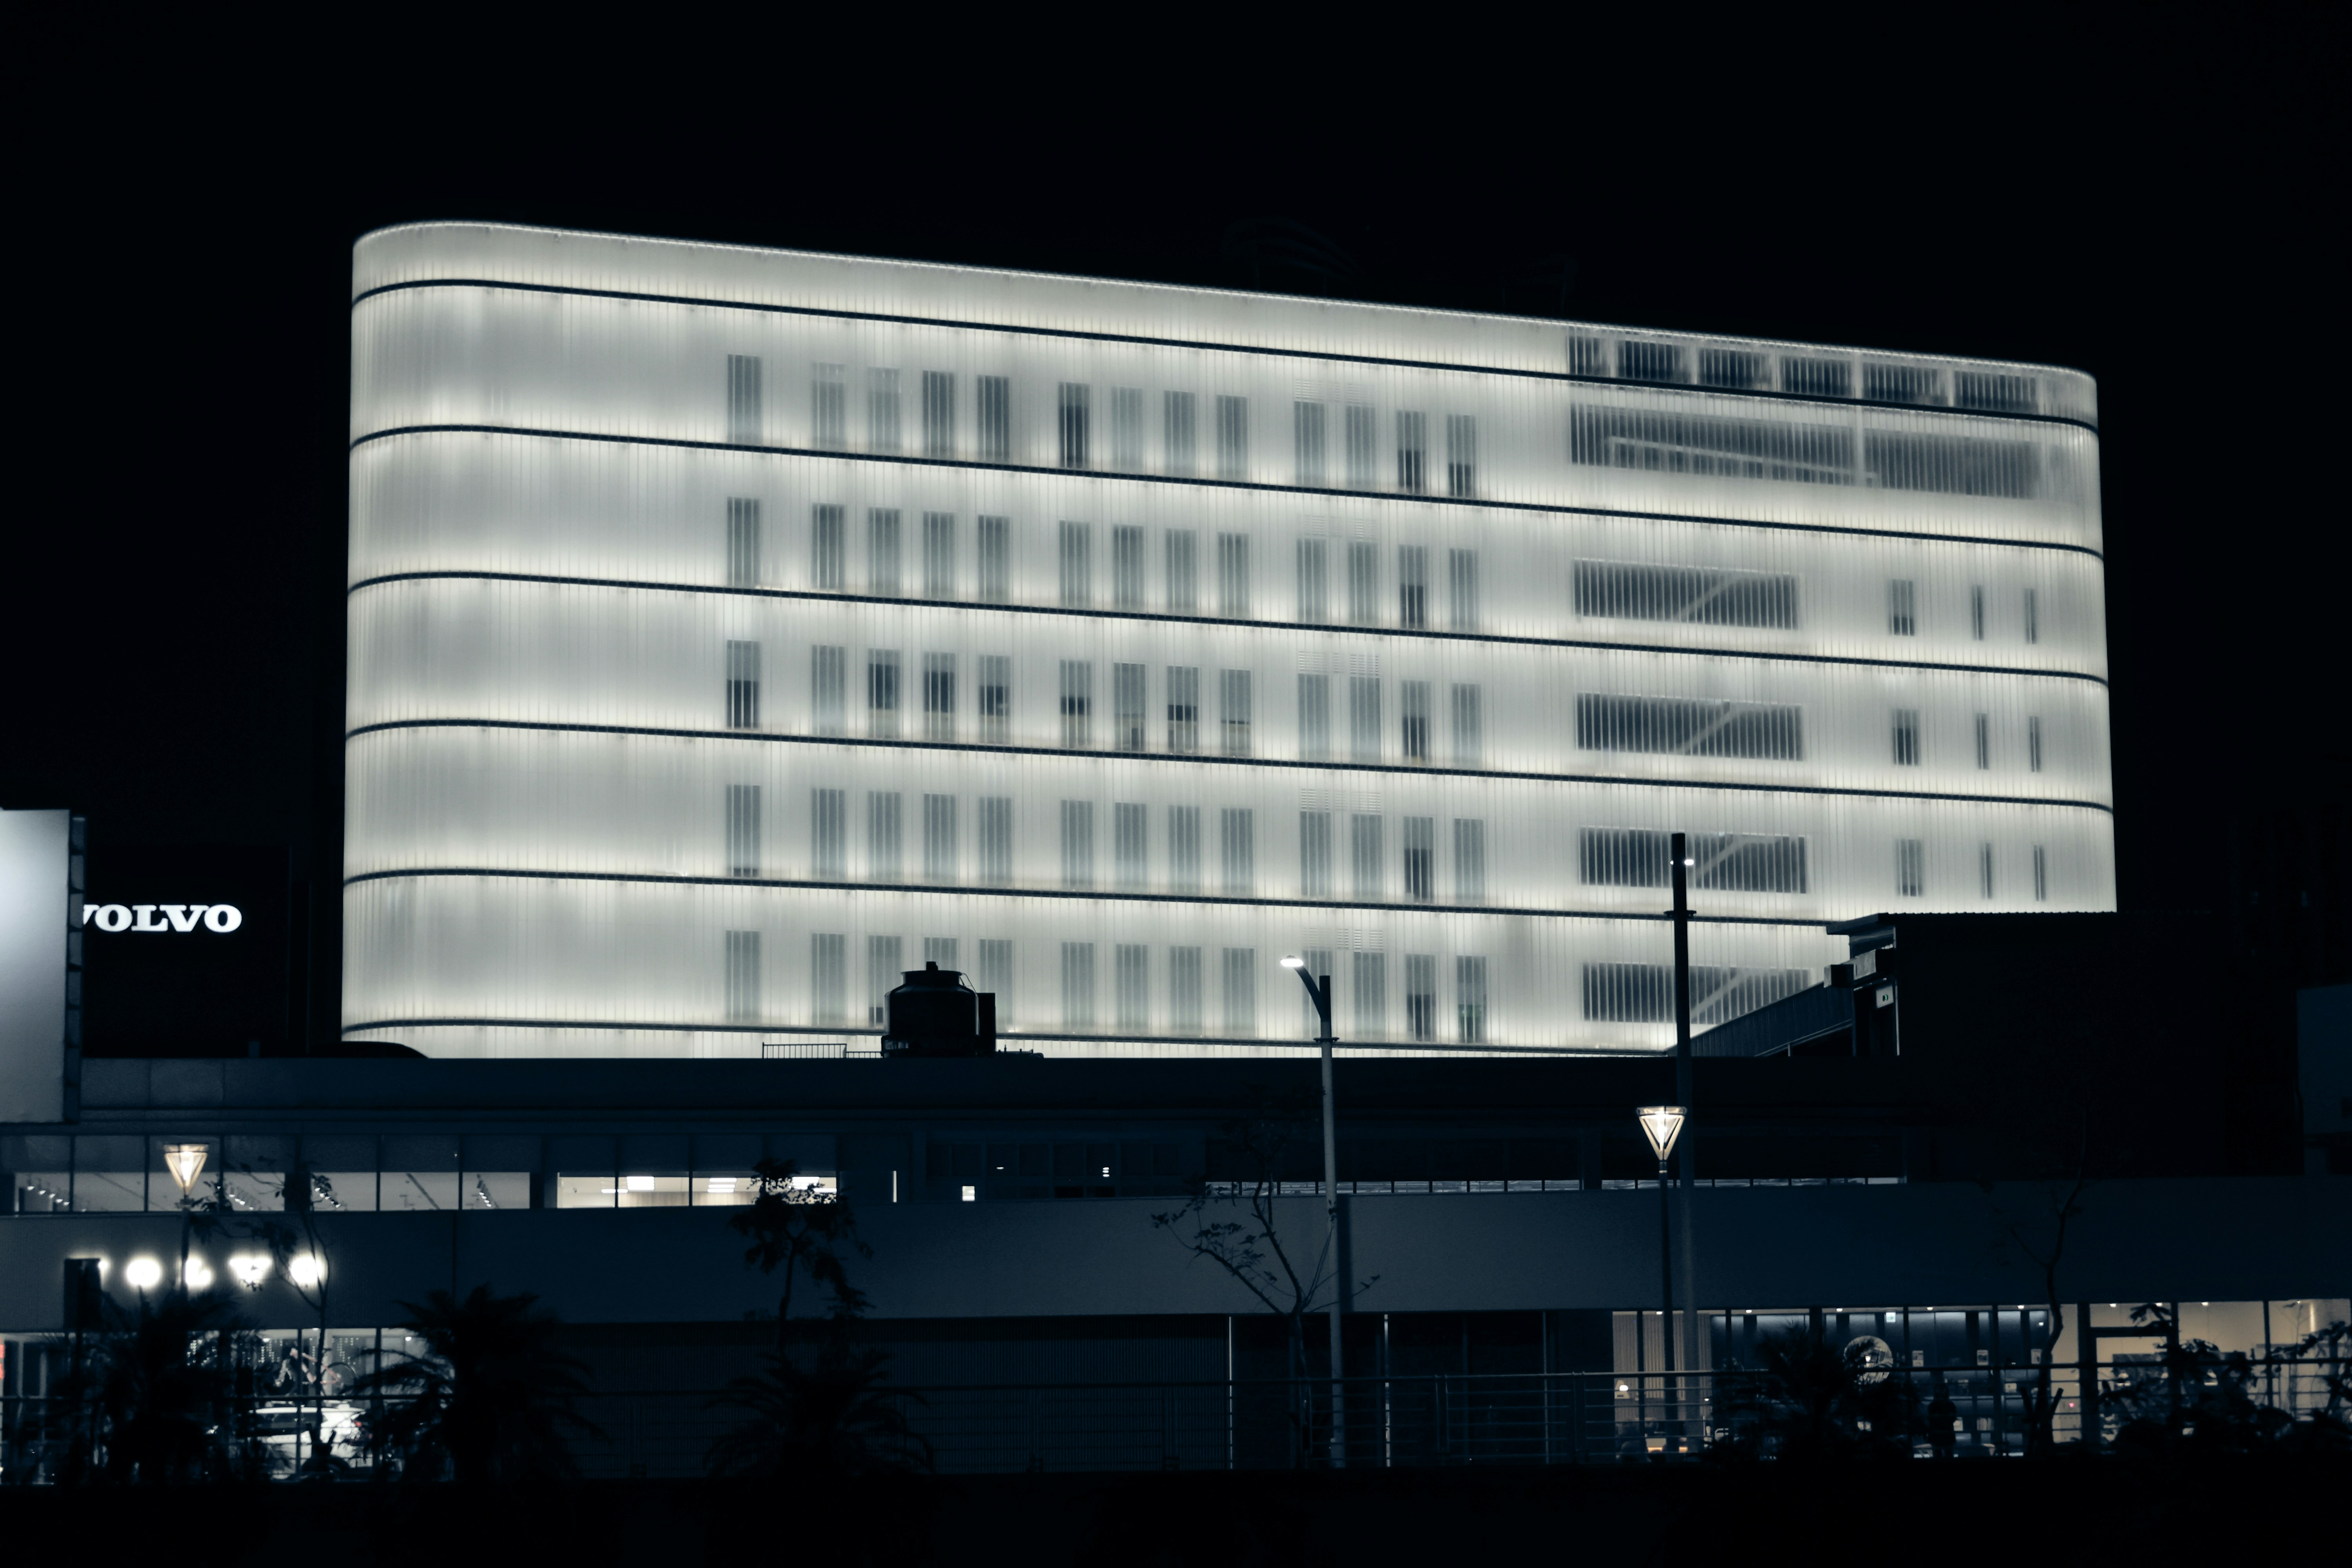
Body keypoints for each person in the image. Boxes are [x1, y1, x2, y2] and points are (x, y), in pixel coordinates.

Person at [1927, 1377, 1958, 1459]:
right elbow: (1953, 1418)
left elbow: (1931, 1419)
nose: (1941, 1391)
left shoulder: (1933, 1405)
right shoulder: (1950, 1405)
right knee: (1948, 1454)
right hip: (1946, 1433)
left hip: (1938, 1433)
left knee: (1939, 1455)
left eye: (1942, 1389)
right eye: (1939, 1389)